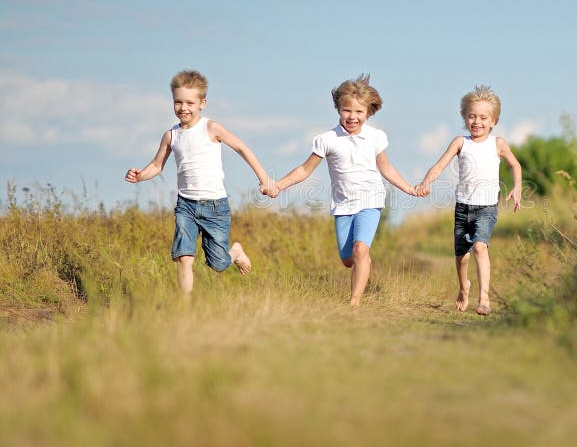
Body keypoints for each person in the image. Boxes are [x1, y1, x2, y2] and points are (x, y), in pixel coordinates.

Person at [266, 74, 416, 306]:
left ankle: (354, 301)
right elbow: (305, 170)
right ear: (338, 109)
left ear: (368, 112)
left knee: (360, 249)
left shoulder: (375, 137)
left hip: (371, 200)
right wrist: (278, 185)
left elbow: (386, 168)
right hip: (343, 205)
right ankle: (361, 261)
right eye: (347, 110)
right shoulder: (327, 139)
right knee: (348, 259)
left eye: (359, 112)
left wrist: (409, 188)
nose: (352, 117)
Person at [125, 69, 276, 294]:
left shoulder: (211, 128)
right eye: (178, 102)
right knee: (184, 257)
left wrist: (264, 179)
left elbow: (241, 148)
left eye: (189, 102)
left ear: (202, 103)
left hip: (215, 206)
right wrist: (140, 176)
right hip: (186, 205)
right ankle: (184, 307)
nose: (183, 108)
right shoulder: (171, 135)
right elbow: (157, 166)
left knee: (219, 264)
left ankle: (235, 252)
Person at [416, 85, 522, 315]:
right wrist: (426, 182)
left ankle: (484, 298)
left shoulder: (498, 144)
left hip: (486, 207)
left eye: (483, 117)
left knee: (480, 247)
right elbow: (439, 166)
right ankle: (464, 288)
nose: (477, 122)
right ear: (465, 118)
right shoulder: (460, 143)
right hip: (463, 207)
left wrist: (517, 186)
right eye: (472, 116)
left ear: (493, 121)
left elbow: (515, 164)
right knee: (461, 257)